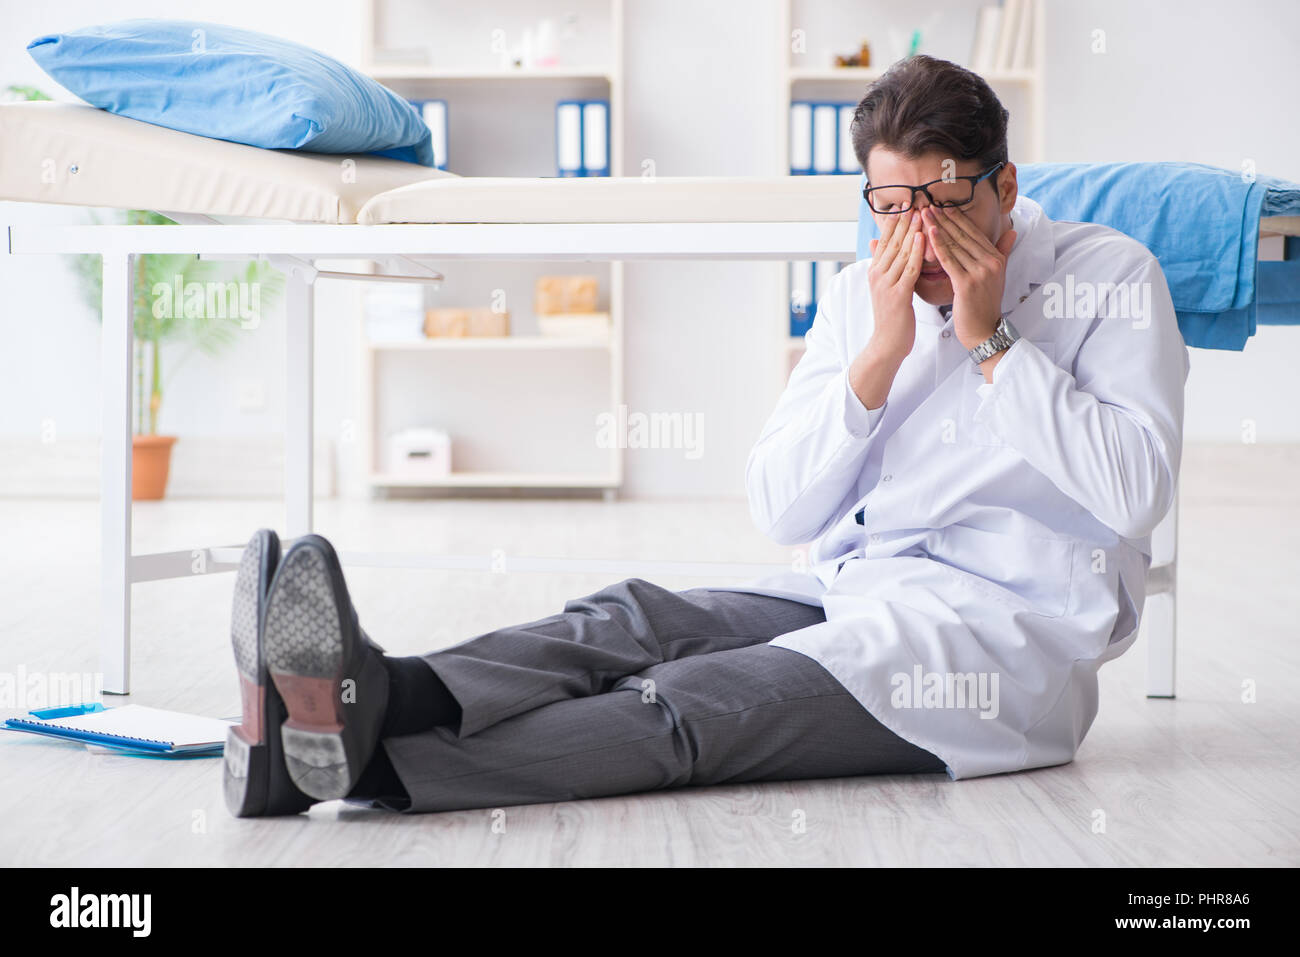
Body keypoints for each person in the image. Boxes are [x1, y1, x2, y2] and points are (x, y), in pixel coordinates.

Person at [223, 54, 1189, 817]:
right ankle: (371, 692)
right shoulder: (866, 297)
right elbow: (780, 505)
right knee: (628, 621)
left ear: (1006, 184)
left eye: (945, 205)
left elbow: (1136, 489)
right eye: (892, 211)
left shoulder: (1109, 278)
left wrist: (991, 342)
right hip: (851, 587)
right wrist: (879, 358)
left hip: (992, 648)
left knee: (690, 703)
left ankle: (348, 770)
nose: (921, 241)